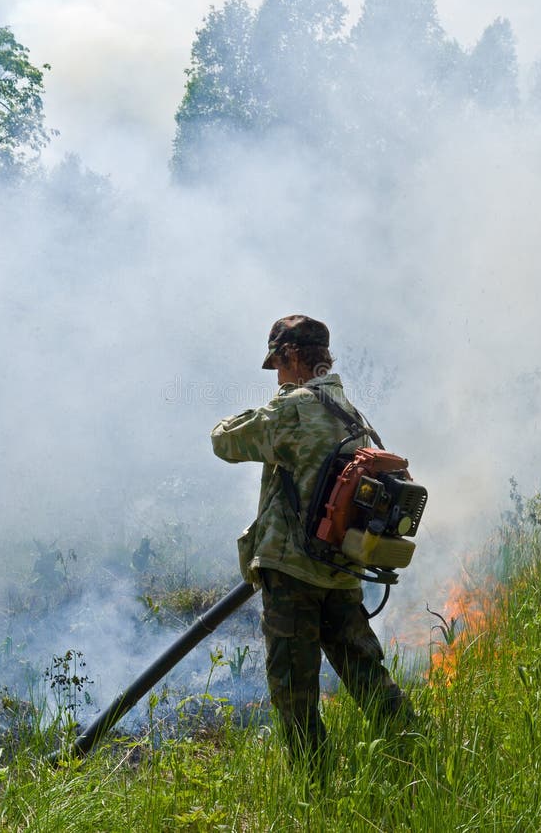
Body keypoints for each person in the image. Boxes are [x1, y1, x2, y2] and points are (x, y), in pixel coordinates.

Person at [211, 315, 411, 778]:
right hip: (341, 572)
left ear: (294, 357)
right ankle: (414, 755)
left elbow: (224, 441)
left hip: (294, 576)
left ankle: (315, 788)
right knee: (367, 677)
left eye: (278, 365)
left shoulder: (294, 409)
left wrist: (276, 401)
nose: (277, 375)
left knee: (293, 691)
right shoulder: (355, 417)